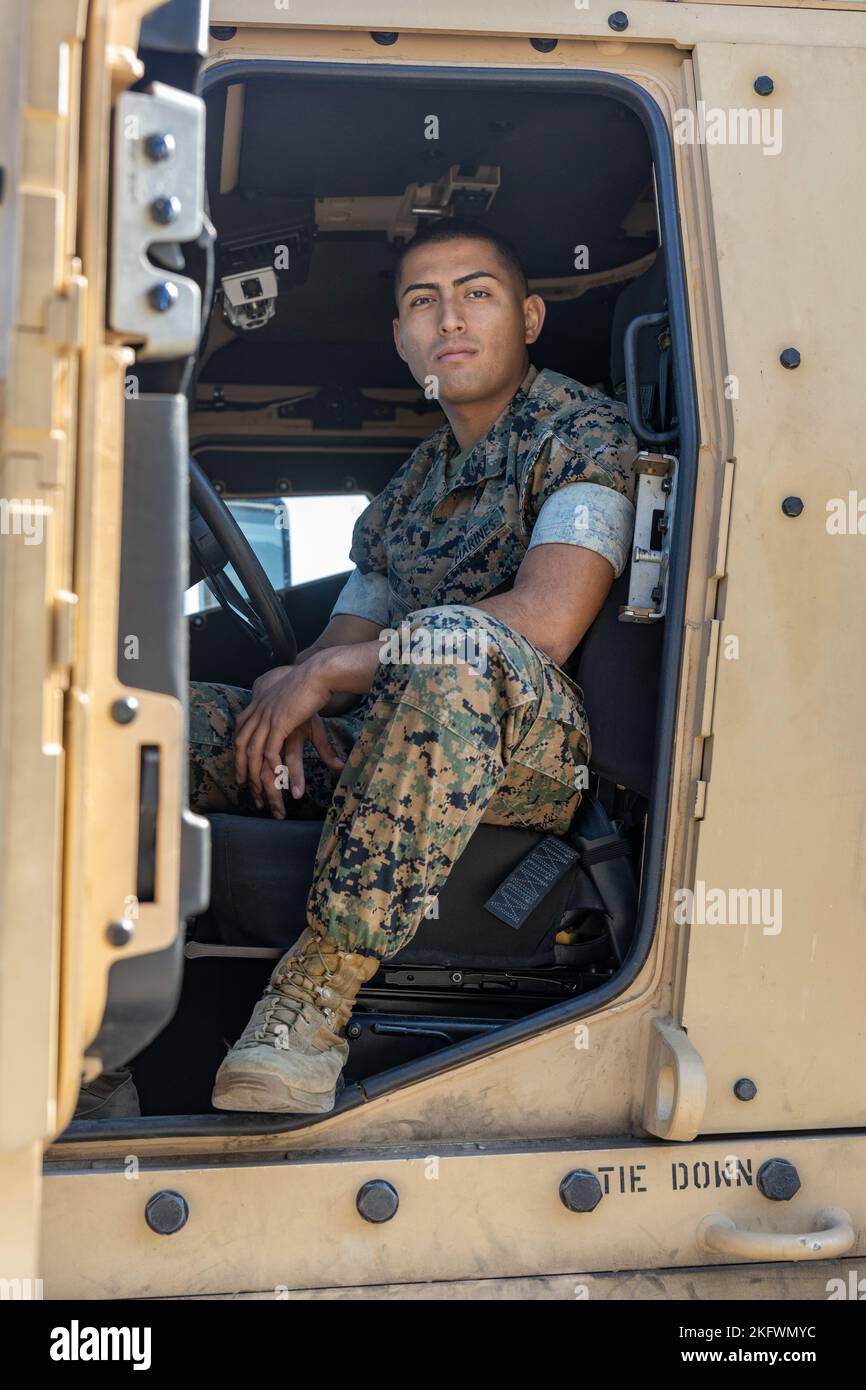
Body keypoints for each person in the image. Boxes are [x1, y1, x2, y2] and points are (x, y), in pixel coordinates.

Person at [76, 218, 639, 1121]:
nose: (448, 318)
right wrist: (293, 694)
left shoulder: (582, 435)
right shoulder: (405, 495)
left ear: (529, 317)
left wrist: (334, 671)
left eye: (476, 293)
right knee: (142, 722)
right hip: (402, 730)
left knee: (452, 646)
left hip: (528, 754)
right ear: (401, 336)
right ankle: (94, 1036)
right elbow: (339, 639)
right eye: (423, 301)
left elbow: (545, 623)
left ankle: (311, 1005)